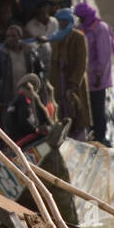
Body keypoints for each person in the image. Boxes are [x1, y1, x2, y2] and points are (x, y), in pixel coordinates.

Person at [74, 1, 114, 144]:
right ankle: (91, 134)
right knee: (88, 107)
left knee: (98, 107)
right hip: (86, 77)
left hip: (98, 77)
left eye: (81, 17)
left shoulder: (100, 28)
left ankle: (100, 137)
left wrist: (98, 75)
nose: (79, 20)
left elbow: (104, 56)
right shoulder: (82, 28)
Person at [48, 8, 90, 140]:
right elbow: (52, 63)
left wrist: (73, 84)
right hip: (59, 81)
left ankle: (81, 138)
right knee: (60, 110)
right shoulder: (55, 38)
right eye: (60, 22)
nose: (62, 24)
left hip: (73, 81)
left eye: (65, 22)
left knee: (77, 110)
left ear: (70, 21)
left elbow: (81, 63)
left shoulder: (78, 37)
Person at [0, 24, 43, 117]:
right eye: (8, 36)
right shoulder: (0, 53)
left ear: (20, 37)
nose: (10, 38)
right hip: (7, 98)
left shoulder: (29, 52)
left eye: (13, 36)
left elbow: (39, 70)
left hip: (27, 96)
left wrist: (39, 89)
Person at [5, 73, 52, 142]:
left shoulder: (16, 100)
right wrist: (36, 130)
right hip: (21, 137)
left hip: (14, 137)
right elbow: (24, 120)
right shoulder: (22, 100)